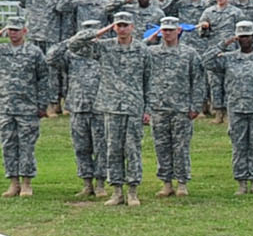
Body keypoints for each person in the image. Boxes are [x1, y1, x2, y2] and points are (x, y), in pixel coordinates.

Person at [64, 14, 151, 207]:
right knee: (112, 149)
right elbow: (74, 45)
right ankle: (117, 191)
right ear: (113, 27)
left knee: (132, 149)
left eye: (125, 25)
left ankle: (133, 191)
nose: (122, 29)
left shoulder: (142, 50)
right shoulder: (104, 47)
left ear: (132, 27)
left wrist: (148, 108)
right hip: (110, 106)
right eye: (118, 25)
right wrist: (98, 32)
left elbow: (148, 80)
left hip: (133, 106)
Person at [0, 17, 51, 197]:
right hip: (5, 105)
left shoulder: (34, 52)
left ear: (25, 31)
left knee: (27, 146)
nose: (13, 33)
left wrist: (43, 104)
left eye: (16, 29)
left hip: (27, 106)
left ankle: (27, 183)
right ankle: (13, 183)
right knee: (8, 145)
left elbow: (44, 78)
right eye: (10, 30)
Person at [203, 18, 253, 194]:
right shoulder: (229, 58)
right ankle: (241, 182)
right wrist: (223, 44)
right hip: (236, 108)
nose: (245, 40)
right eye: (241, 37)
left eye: (247, 36)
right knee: (239, 146)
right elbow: (206, 61)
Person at [49, 17, 109, 197]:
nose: (90, 38)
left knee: (102, 147)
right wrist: (72, 40)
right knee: (81, 147)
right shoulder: (70, 55)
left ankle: (100, 184)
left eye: (93, 32)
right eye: (86, 31)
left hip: (100, 106)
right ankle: (86, 183)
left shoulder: (106, 51)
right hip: (77, 106)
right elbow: (51, 57)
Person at [145, 18, 203, 196]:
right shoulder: (151, 53)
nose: (167, 33)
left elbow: (198, 81)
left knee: (181, 147)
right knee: (161, 146)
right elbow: (143, 80)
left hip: (181, 108)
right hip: (158, 107)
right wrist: (146, 109)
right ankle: (166, 183)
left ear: (178, 30)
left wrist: (196, 105)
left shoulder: (190, 53)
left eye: (171, 30)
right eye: (164, 30)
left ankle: (182, 182)